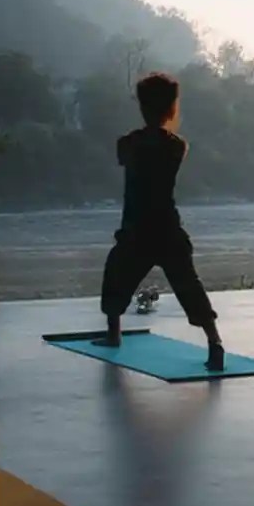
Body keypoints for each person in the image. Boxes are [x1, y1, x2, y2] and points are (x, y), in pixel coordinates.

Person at [93, 72, 224, 372]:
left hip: (137, 229)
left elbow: (125, 158)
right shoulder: (177, 146)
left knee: (115, 276)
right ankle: (214, 341)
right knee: (189, 287)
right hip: (167, 227)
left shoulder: (128, 143)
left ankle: (114, 334)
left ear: (143, 107)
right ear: (171, 108)